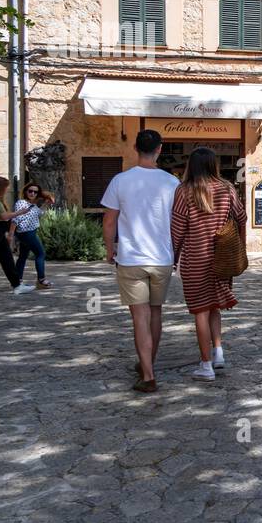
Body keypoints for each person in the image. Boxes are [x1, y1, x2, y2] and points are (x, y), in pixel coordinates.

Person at [101, 129, 180, 393]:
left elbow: (109, 220)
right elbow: (179, 223)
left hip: (132, 257)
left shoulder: (120, 181)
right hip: (162, 258)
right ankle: (150, 363)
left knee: (139, 317)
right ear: (159, 148)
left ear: (135, 147)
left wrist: (109, 249)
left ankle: (147, 374)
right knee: (156, 313)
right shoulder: (172, 183)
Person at [171, 147, 247, 382]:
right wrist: (240, 248)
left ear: (190, 166)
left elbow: (177, 230)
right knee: (214, 306)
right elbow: (242, 218)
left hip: (195, 260)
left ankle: (206, 365)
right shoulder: (227, 188)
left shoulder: (184, 191)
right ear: (214, 165)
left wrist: (173, 259)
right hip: (222, 259)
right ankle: (218, 352)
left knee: (200, 312)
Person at [11, 181, 55, 290]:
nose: (32, 193)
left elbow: (40, 213)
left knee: (22, 257)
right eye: (30, 191)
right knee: (40, 254)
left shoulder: (33, 205)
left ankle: (17, 281)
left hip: (29, 233)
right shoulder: (21, 203)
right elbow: (15, 219)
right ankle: (41, 280)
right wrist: (11, 234)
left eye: (35, 192)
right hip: (27, 233)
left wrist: (46, 203)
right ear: (25, 191)